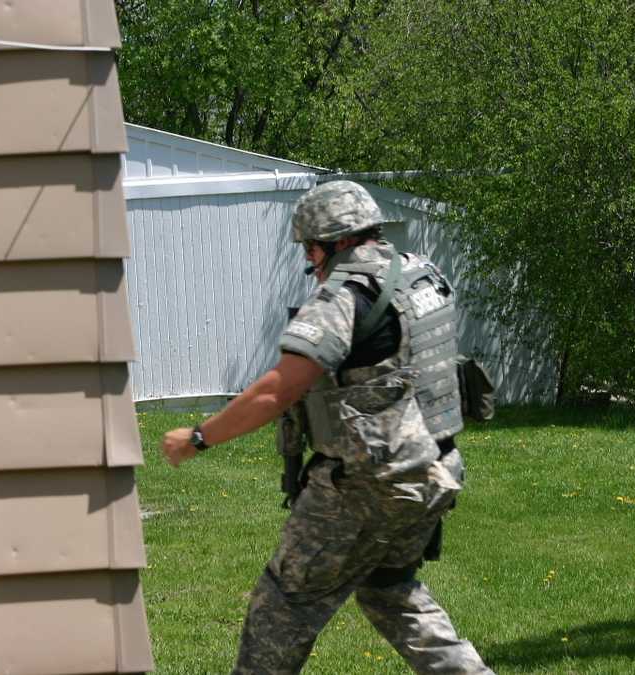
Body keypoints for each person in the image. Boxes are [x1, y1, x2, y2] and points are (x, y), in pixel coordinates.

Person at [160, 180, 493, 674]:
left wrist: (199, 436)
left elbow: (279, 390)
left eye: (310, 250)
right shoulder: (420, 277)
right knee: (389, 591)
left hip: (366, 486)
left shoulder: (345, 295)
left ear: (332, 243)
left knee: (284, 604)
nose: (310, 262)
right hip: (434, 470)